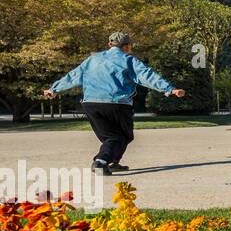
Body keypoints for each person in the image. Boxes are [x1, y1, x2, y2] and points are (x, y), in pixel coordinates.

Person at [43, 31, 186, 174]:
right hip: (117, 104)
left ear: (109, 45)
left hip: (91, 104)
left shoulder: (92, 59)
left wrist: (53, 89)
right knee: (119, 136)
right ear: (127, 46)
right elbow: (146, 75)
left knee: (113, 137)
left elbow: (73, 75)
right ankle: (101, 161)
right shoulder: (128, 60)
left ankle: (113, 162)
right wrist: (169, 89)